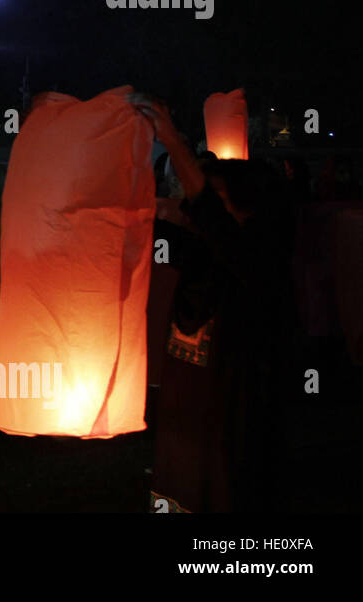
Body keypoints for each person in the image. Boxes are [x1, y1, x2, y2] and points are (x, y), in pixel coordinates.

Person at [130, 93, 295, 512]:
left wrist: (172, 141)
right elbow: (161, 237)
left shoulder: (257, 259)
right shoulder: (202, 250)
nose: (207, 212)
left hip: (230, 405)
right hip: (185, 401)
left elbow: (211, 220)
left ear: (249, 209)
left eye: (222, 200)